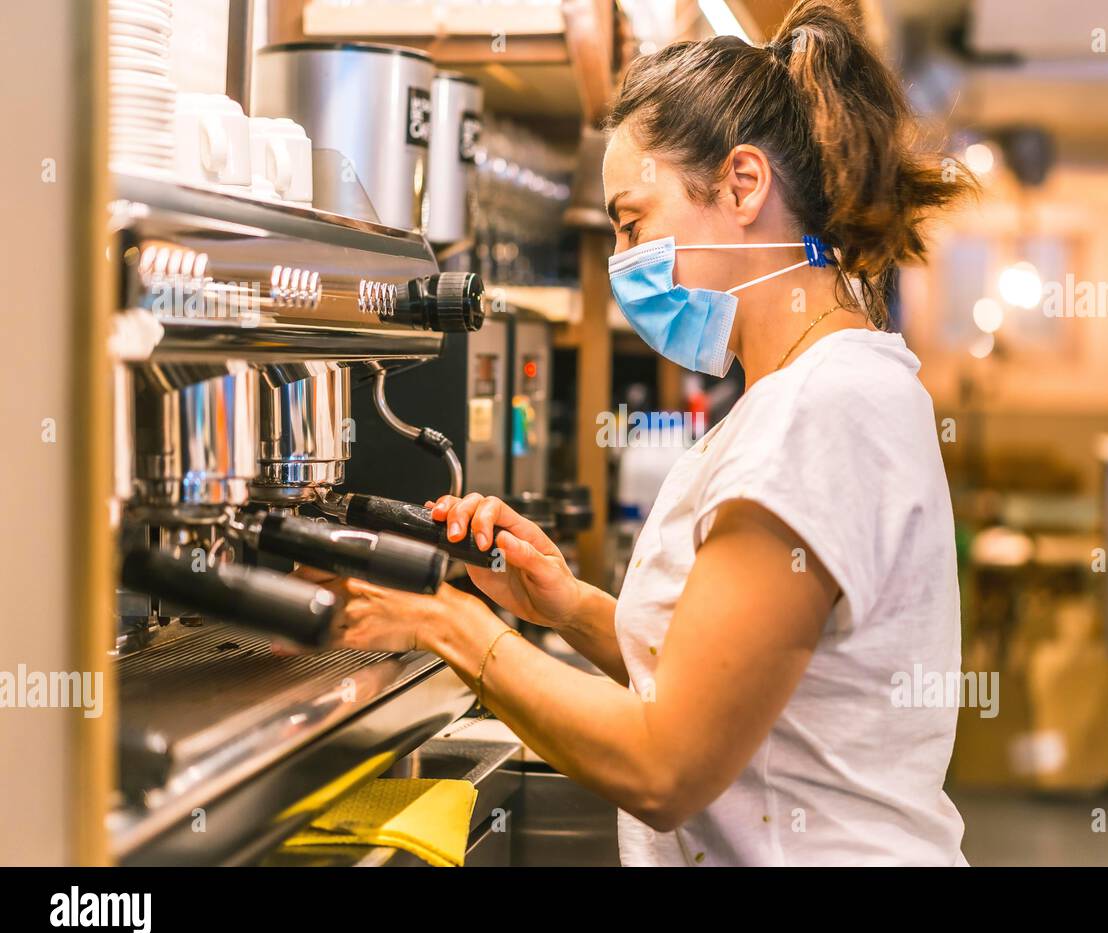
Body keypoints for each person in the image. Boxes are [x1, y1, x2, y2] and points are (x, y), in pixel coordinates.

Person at [308, 0, 975, 865]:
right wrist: (568, 607)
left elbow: (666, 765)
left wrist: (450, 628)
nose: (626, 261)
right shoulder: (823, 387)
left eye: (632, 222)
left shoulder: (820, 411)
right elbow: (740, 687)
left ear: (742, 185)